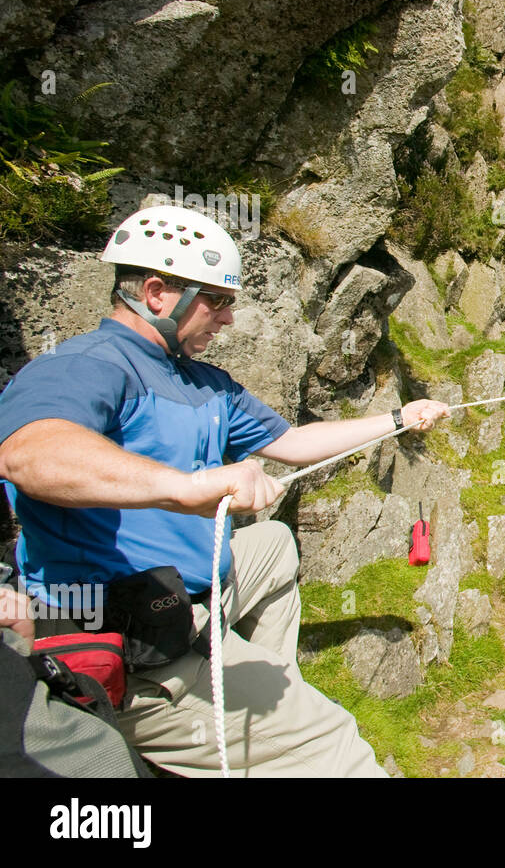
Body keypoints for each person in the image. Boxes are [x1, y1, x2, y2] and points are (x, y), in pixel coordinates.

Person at [0, 204, 450, 776]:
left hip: (189, 591)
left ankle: (260, 700)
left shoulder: (204, 382)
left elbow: (291, 442)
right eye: (217, 299)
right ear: (159, 292)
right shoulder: (86, 366)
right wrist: (186, 489)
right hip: (134, 639)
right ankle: (265, 734)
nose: (229, 317)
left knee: (275, 545)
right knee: (339, 750)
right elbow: (31, 454)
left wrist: (398, 417)